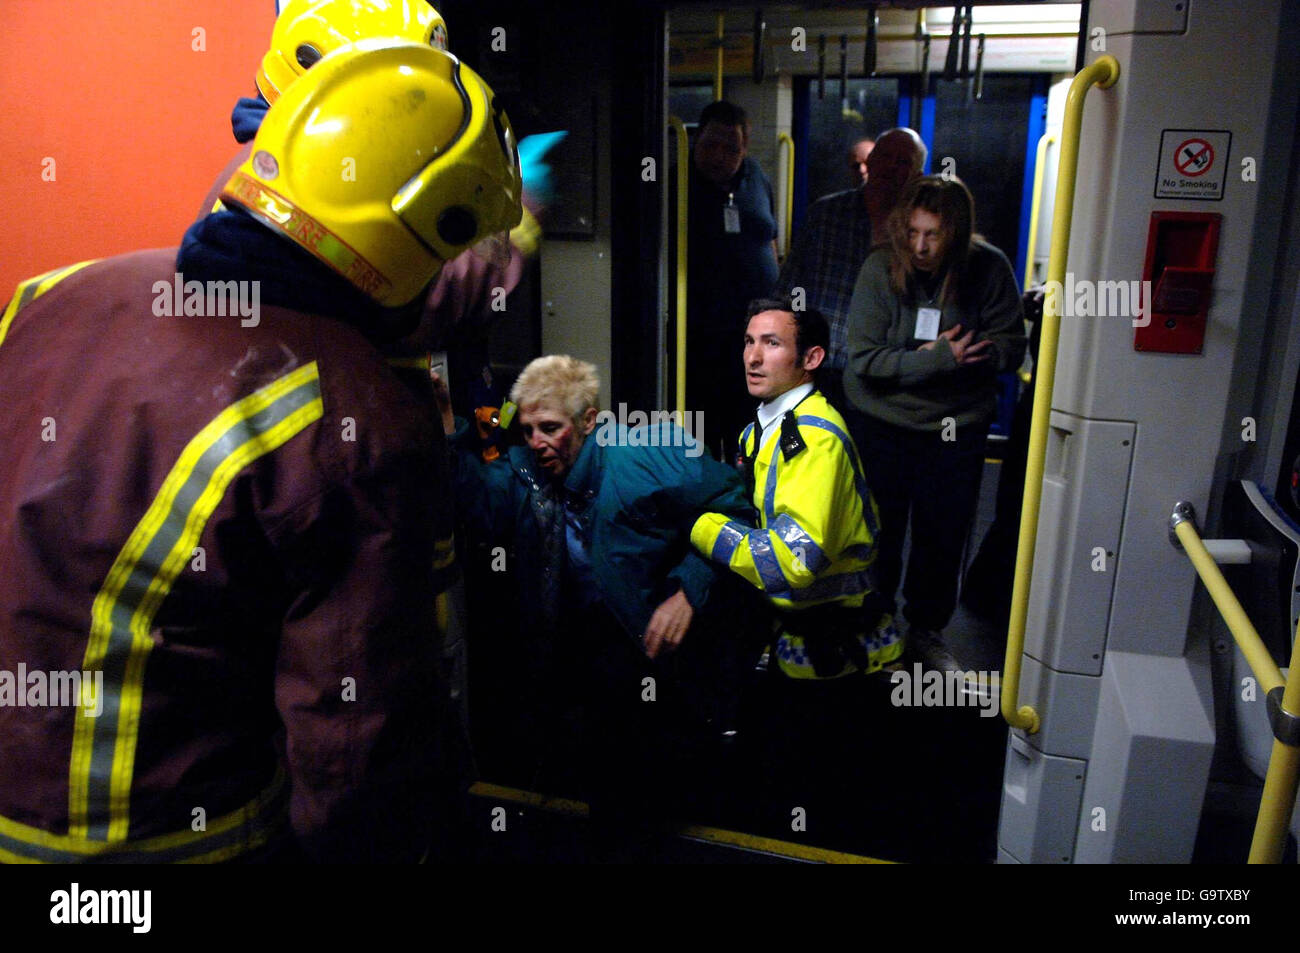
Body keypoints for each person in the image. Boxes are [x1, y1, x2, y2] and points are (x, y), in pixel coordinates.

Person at [0, 41, 522, 863]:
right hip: (169, 844)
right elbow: (352, 748)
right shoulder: (356, 420)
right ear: (428, 237)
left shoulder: (52, 294)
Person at [435, 355, 754, 845]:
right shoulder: (527, 471)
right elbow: (478, 507)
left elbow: (738, 507)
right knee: (585, 766)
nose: (536, 443)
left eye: (549, 428)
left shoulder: (646, 456)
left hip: (642, 637)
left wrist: (690, 587)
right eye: (527, 429)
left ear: (588, 420)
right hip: (572, 635)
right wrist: (447, 431)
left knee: (643, 771)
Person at [688, 296, 902, 843]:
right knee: (784, 791)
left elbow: (791, 564)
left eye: (772, 343)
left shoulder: (811, 440)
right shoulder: (761, 427)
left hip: (836, 658)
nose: (753, 357)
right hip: (796, 646)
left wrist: (703, 527)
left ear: (811, 358)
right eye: (748, 341)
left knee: (824, 807)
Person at [844, 175, 1026, 664]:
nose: (921, 247)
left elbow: (1011, 348)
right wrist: (941, 359)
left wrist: (974, 357)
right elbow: (864, 360)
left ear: (957, 233)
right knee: (875, 534)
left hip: (954, 429)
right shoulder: (880, 267)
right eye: (914, 232)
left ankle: (925, 631)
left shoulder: (988, 268)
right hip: (881, 424)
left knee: (941, 538)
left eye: (934, 235)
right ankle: (873, 626)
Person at [775, 127, 927, 412]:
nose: (892, 166)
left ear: (917, 174)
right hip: (822, 364)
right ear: (869, 161)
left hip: (885, 373)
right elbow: (790, 287)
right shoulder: (827, 214)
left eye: (903, 161)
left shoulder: (920, 231)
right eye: (885, 156)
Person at [687, 101, 780, 460]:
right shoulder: (677, 184)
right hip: (702, 336)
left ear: (745, 150)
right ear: (696, 141)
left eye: (732, 148)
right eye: (711, 144)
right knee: (705, 430)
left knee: (750, 426)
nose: (719, 156)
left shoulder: (755, 177)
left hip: (754, 330)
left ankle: (748, 499)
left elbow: (769, 237)